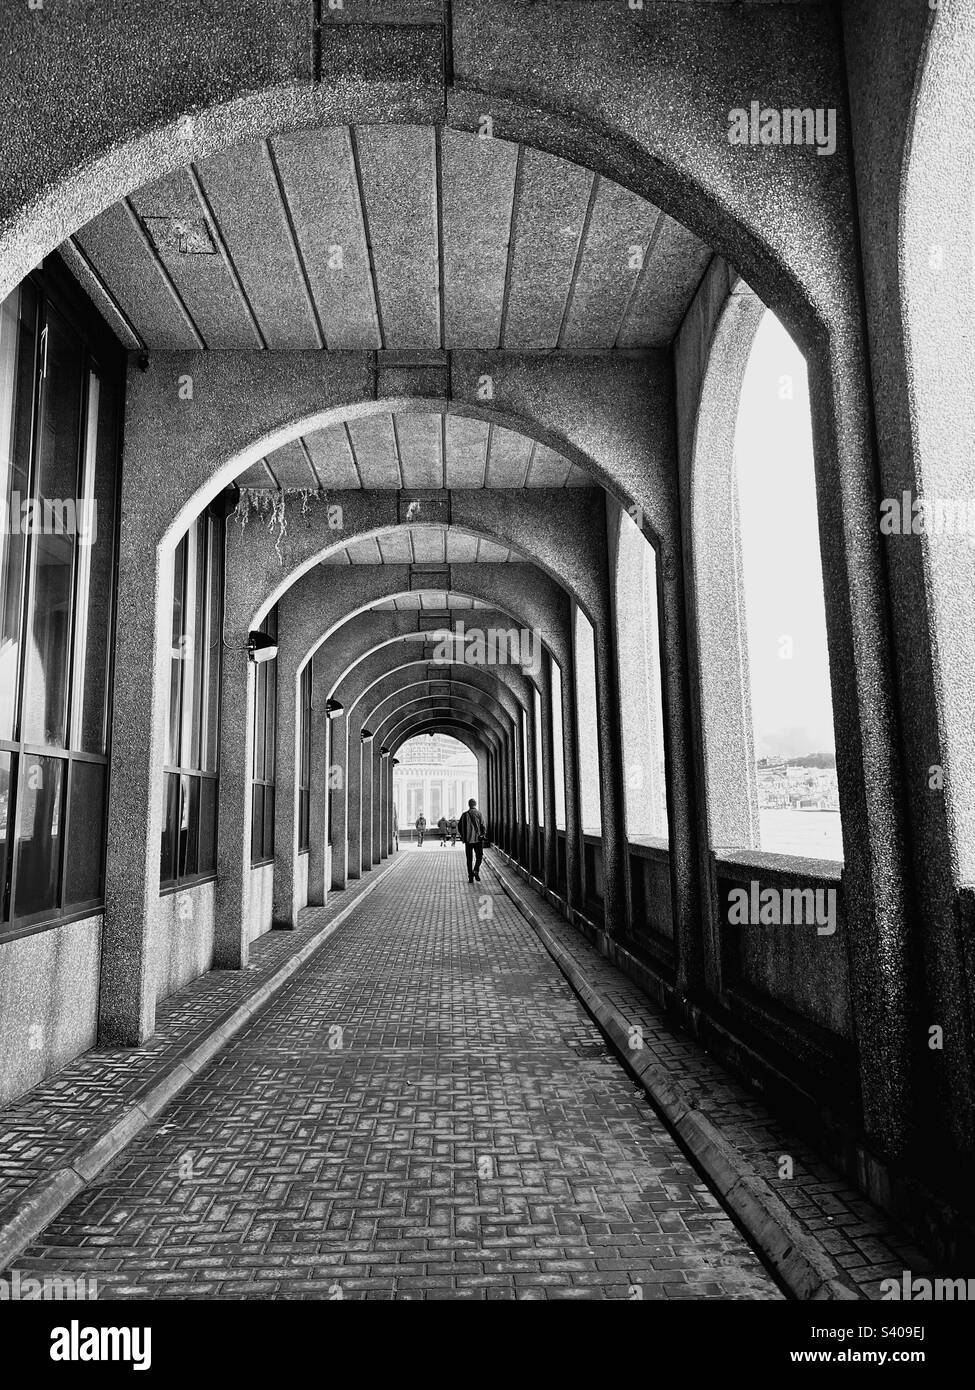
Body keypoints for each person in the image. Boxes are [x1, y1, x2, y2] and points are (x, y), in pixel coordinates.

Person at [457, 798, 486, 882]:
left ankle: (470, 877)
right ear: (475, 804)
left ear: (469, 805)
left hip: (468, 841)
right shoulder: (479, 814)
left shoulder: (464, 815)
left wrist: (463, 836)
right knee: (479, 857)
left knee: (469, 859)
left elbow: (459, 827)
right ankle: (476, 870)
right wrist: (483, 834)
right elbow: (483, 826)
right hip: (477, 840)